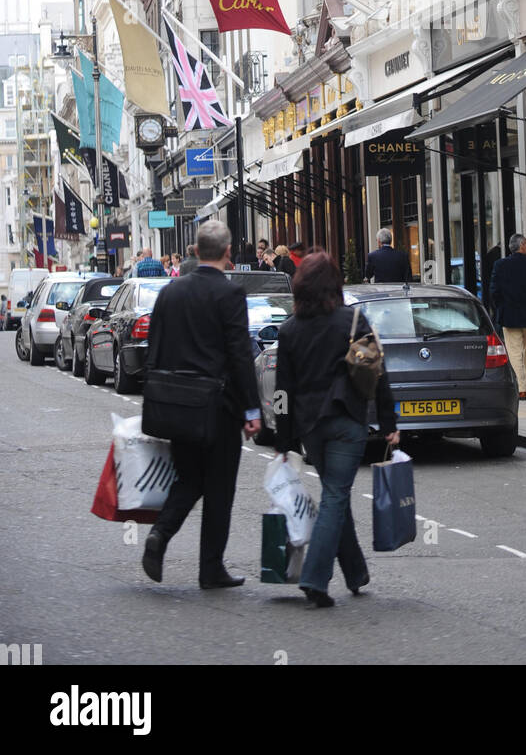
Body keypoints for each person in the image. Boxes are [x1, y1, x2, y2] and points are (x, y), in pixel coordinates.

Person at [142, 220, 262, 588]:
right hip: (219, 407)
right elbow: (240, 354)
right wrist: (252, 409)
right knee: (220, 487)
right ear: (228, 253)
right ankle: (210, 568)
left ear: (194, 250)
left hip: (177, 405)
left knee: (190, 478)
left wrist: (157, 395)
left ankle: (160, 535)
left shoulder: (170, 292)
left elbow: (155, 349)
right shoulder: (230, 295)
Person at [274, 250, 398, 607]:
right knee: (335, 497)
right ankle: (315, 580)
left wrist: (285, 439)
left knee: (334, 494)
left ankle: (356, 572)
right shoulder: (354, 321)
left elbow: (282, 391)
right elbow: (377, 372)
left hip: (310, 427)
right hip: (346, 421)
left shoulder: (289, 330)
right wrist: (389, 422)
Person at [489, 234, 526, 400]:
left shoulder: (499, 265)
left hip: (510, 316)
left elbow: (494, 291)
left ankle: (520, 388)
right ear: (522, 246)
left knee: (514, 351)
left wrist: (501, 308)